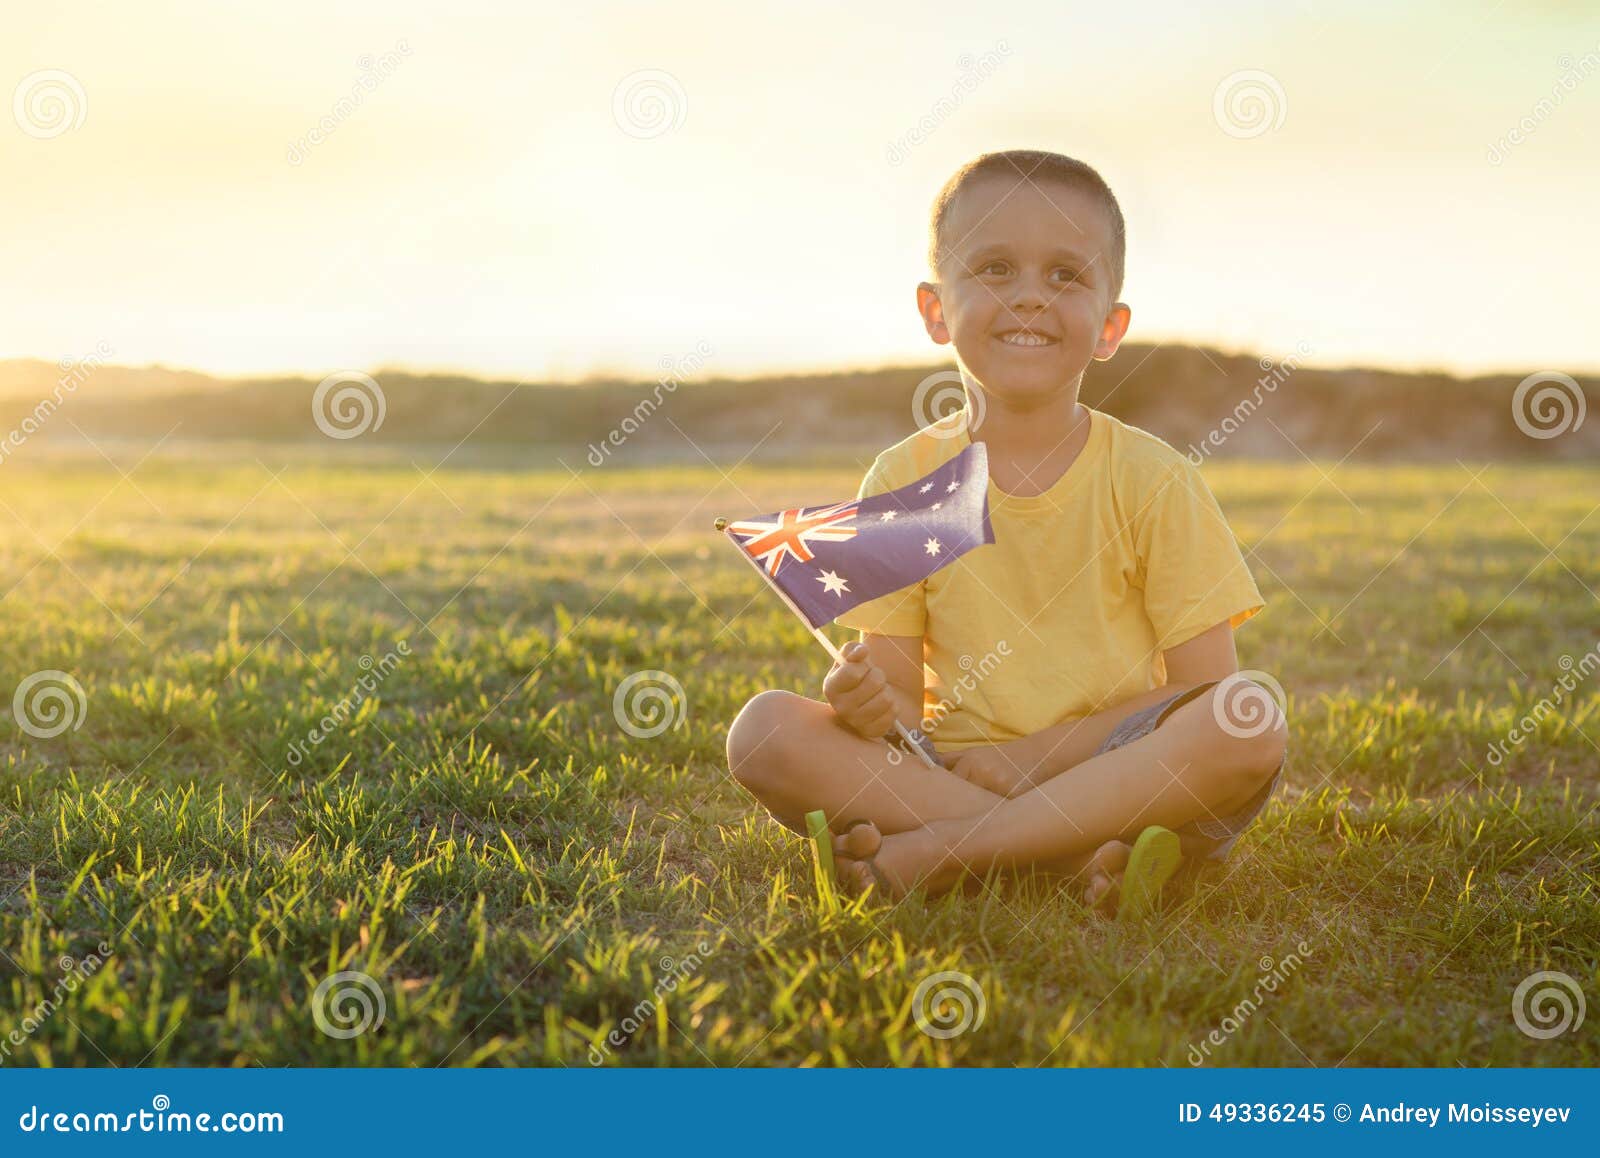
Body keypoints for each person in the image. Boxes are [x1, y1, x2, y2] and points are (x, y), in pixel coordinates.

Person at [725, 150, 1286, 907]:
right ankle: (1068, 854)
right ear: (935, 310)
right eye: (994, 268)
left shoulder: (1157, 479)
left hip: (1123, 769)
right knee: (765, 730)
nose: (1029, 297)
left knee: (1247, 716)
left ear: (1109, 327)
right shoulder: (904, 480)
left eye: (1066, 276)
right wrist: (862, 701)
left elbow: (1202, 687)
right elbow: (896, 697)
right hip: (952, 770)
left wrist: (1035, 758)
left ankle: (953, 849)